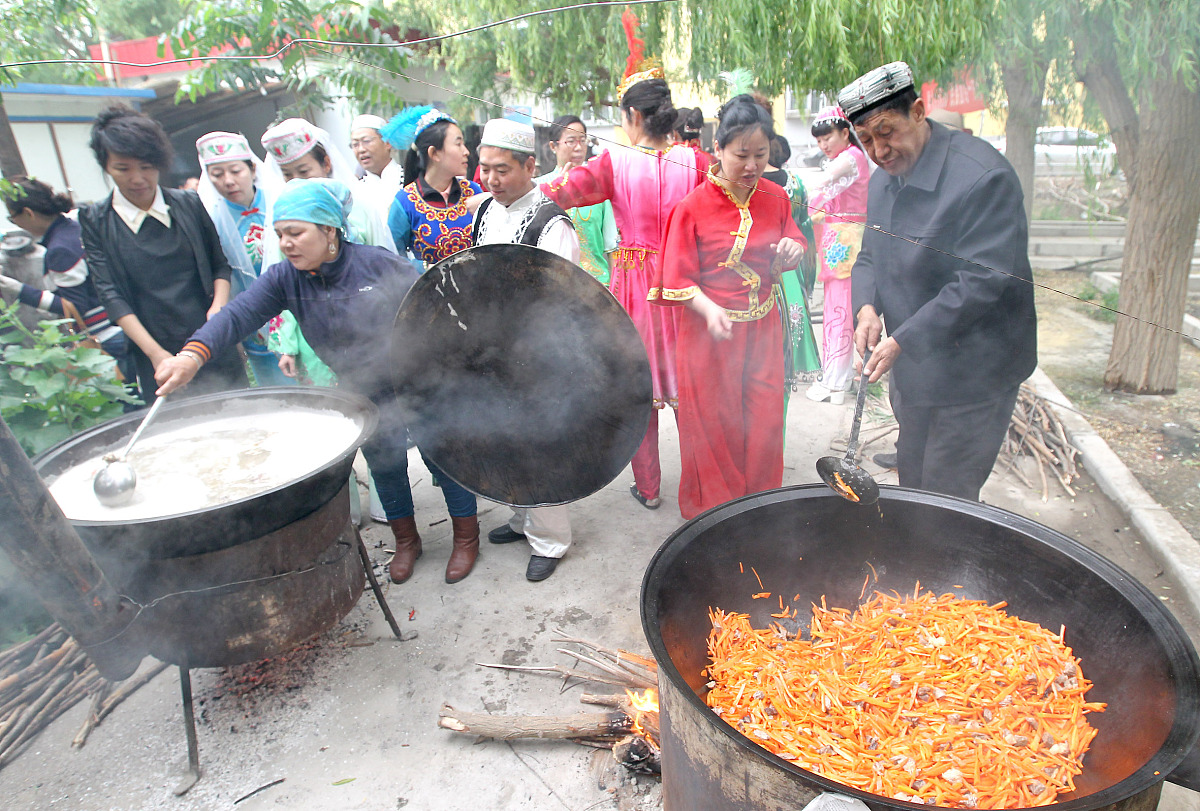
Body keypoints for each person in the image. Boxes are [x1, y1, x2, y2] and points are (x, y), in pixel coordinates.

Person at [153, 178, 482, 585]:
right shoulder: (284, 279)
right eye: (280, 235)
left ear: (329, 231)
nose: (286, 244)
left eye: (296, 232)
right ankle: (407, 541)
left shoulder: (376, 264)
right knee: (385, 465)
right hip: (363, 388)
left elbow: (435, 299)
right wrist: (193, 354)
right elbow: (238, 315)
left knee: (442, 456)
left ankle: (466, 538)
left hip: (418, 379)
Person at [843, 61, 1037, 501]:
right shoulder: (884, 181)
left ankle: (947, 545)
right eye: (866, 140)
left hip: (976, 373)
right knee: (913, 480)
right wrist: (867, 307)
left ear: (917, 111)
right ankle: (916, 543)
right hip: (917, 366)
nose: (879, 151)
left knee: (949, 495)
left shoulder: (983, 177)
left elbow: (982, 282)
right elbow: (871, 254)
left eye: (886, 132)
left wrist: (903, 339)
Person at [542, 67, 709, 510]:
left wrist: (538, 182)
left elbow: (559, 193)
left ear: (633, 115)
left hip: (636, 283)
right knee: (689, 388)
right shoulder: (696, 162)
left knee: (639, 388)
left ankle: (649, 489)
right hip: (685, 281)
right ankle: (700, 487)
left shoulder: (615, 162)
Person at [653, 94, 805, 520]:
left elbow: (792, 238)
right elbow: (675, 278)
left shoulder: (776, 196)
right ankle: (718, 516)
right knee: (715, 424)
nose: (752, 165)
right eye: (741, 155)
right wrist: (707, 308)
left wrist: (793, 249)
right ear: (717, 148)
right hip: (710, 335)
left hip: (763, 330)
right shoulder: (692, 208)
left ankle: (759, 507)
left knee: (763, 421)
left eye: (761, 154)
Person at [79, 105, 246, 405]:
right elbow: (111, 295)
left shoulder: (189, 203)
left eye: (146, 167)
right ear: (106, 166)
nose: (137, 178)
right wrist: (158, 356)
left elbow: (219, 265)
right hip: (154, 349)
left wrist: (218, 311)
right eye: (123, 168)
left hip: (211, 336)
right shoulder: (96, 221)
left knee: (242, 414)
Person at [474, 118, 580, 582]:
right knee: (504, 440)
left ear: (530, 166)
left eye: (502, 170)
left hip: (538, 354)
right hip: (493, 349)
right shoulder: (485, 210)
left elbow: (560, 299)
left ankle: (551, 540)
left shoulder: (551, 223)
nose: (491, 180)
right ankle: (522, 519)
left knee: (538, 446)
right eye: (485, 169)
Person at [1, 178, 133, 382]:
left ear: (28, 213)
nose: (16, 223)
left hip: (104, 338)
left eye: (13, 218)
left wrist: (18, 289)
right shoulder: (75, 230)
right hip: (121, 327)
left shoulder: (60, 250)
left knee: (123, 398)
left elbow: (75, 306)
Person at [195, 131, 293, 387]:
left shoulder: (281, 201)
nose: (228, 181)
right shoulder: (210, 219)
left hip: (292, 309)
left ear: (252, 168)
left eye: (236, 171)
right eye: (217, 174)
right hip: (252, 319)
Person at [804, 105, 871, 406]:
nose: (823, 145)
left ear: (845, 133)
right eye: (819, 141)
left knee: (840, 311)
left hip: (847, 240)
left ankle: (835, 382)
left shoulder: (851, 158)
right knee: (836, 308)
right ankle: (836, 378)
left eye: (827, 137)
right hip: (839, 241)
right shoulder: (848, 158)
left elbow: (819, 187)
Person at [382, 106, 482, 268]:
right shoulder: (405, 202)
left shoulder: (474, 192)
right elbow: (392, 258)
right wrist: (427, 269)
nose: (466, 152)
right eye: (458, 144)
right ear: (434, 153)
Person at [535, 116, 619, 285]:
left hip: (597, 286)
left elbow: (612, 247)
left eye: (582, 140)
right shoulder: (539, 188)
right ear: (553, 146)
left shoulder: (599, 189)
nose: (579, 147)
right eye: (571, 141)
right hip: (553, 286)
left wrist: (616, 290)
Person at [349, 113, 404, 212]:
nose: (361, 149)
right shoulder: (355, 192)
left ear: (387, 143)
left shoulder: (410, 179)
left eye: (366, 141)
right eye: (355, 144)